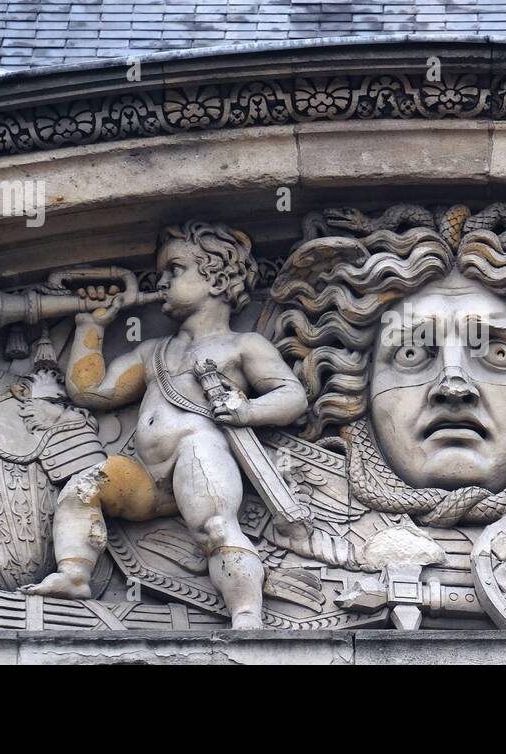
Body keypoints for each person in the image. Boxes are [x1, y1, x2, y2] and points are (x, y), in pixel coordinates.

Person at [22, 220, 308, 629]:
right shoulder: (154, 350)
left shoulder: (242, 345)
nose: (163, 281)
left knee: (214, 528)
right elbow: (91, 392)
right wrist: (91, 327)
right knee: (82, 489)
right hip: (145, 473)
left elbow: (291, 396)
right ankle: (74, 574)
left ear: (217, 278)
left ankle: (246, 615)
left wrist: (247, 411)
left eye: (175, 270)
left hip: (198, 453)